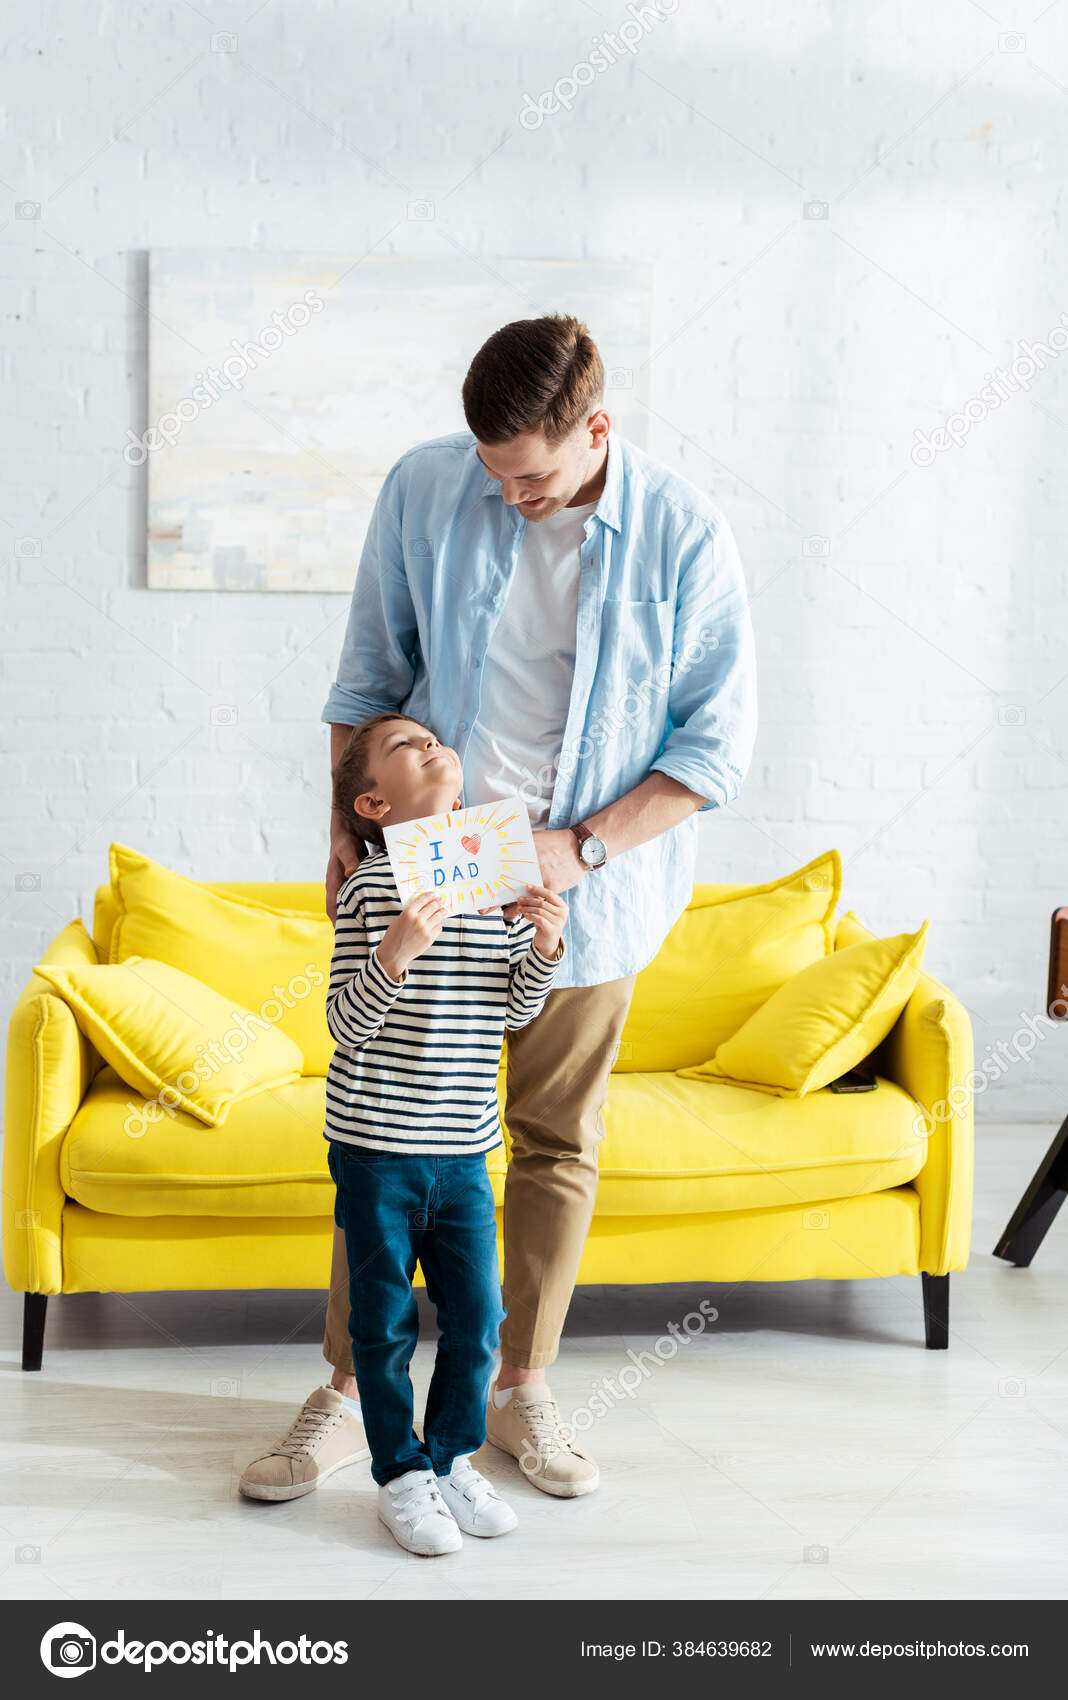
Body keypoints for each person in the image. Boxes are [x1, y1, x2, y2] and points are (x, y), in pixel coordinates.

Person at [240, 310, 757, 1508]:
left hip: (585, 889)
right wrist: (341, 833)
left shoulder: (683, 532)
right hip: (430, 880)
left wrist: (580, 851)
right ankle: (342, 1388)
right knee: (384, 1136)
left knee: (557, 1144)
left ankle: (519, 1389)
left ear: (596, 432)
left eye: (532, 474)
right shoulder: (426, 487)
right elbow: (369, 674)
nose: (509, 492)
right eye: (492, 471)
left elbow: (716, 746)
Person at [321, 712, 566, 1554]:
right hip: (377, 1150)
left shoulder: (489, 880)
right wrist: (396, 948)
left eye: (431, 737)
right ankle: (400, 1473)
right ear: (373, 803)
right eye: (403, 746)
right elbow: (345, 1025)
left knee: (478, 1318)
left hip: (464, 1150)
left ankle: (453, 1458)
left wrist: (541, 947)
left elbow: (511, 1012)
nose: (429, 744)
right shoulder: (367, 891)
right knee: (383, 1322)